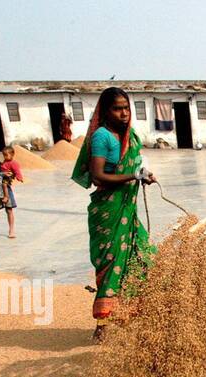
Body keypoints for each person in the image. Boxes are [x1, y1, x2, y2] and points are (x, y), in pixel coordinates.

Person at [71, 86, 156, 342]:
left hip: (128, 213)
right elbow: (98, 176)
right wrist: (132, 176)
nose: (124, 113)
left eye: (126, 108)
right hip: (109, 212)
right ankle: (103, 325)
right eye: (117, 109)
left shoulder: (132, 138)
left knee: (145, 258)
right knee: (111, 264)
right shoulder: (102, 137)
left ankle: (134, 316)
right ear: (105, 112)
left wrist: (145, 175)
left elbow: (137, 164)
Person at [0, 146, 24, 238]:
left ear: (12, 155)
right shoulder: (4, 162)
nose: (5, 157)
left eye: (7, 155)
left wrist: (19, 177)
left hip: (7, 178)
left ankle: (6, 196)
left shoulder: (13, 163)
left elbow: (17, 171)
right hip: (3, 178)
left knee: (4, 184)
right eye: (4, 155)